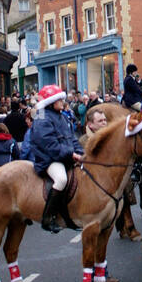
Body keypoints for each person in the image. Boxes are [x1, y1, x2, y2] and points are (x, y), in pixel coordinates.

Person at [32, 85, 85, 234]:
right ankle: (48, 218)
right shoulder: (42, 118)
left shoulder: (60, 116)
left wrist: (81, 152)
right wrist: (71, 154)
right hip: (49, 159)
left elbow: (72, 138)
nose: (63, 101)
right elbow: (49, 145)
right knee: (61, 179)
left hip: (63, 155)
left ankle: (71, 215)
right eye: (59, 99)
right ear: (51, 102)